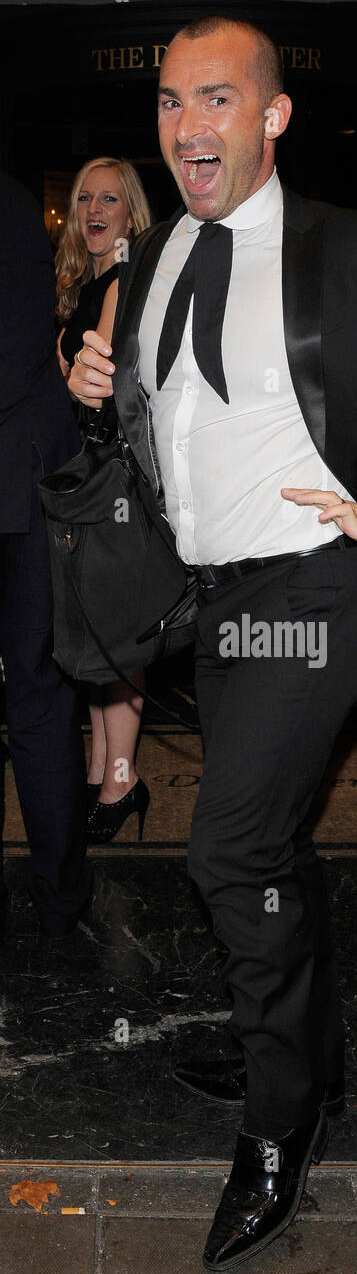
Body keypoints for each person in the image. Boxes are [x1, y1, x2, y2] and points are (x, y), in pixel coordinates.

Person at [70, 17, 357, 1272]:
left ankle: (282, 1125)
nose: (185, 126)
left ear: (271, 115)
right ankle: (309, 1047)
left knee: (228, 847)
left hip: (322, 588)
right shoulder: (152, 251)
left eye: (215, 99)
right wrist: (96, 377)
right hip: (210, 599)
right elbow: (155, 408)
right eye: (168, 102)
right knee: (268, 840)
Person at [0, 171, 92, 939]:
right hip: (29, 478)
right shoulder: (14, 202)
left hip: (26, 479)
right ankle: (61, 899)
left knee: (38, 695)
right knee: (40, 694)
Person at [56, 158, 152, 842]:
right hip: (85, 480)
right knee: (93, 632)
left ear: (129, 214)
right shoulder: (82, 285)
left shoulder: (123, 278)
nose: (94, 209)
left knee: (116, 633)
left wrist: (59, 373)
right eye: (84, 197)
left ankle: (121, 777)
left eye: (109, 199)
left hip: (111, 481)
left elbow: (105, 389)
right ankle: (99, 768)